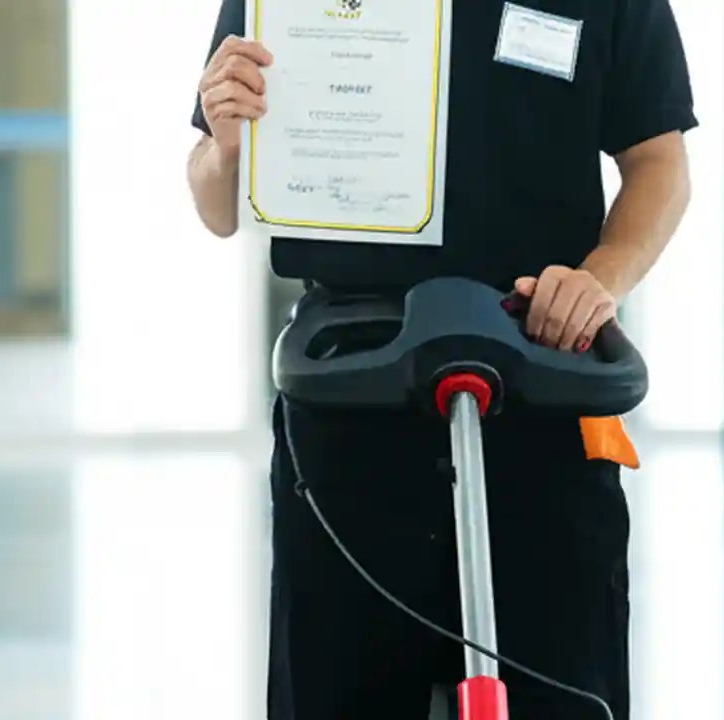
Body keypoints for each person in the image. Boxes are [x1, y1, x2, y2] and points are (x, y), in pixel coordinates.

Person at [187, 1, 695, 717]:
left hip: (542, 376)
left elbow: (659, 161)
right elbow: (217, 205)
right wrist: (226, 147)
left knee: (560, 684)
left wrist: (601, 279)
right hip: (349, 389)